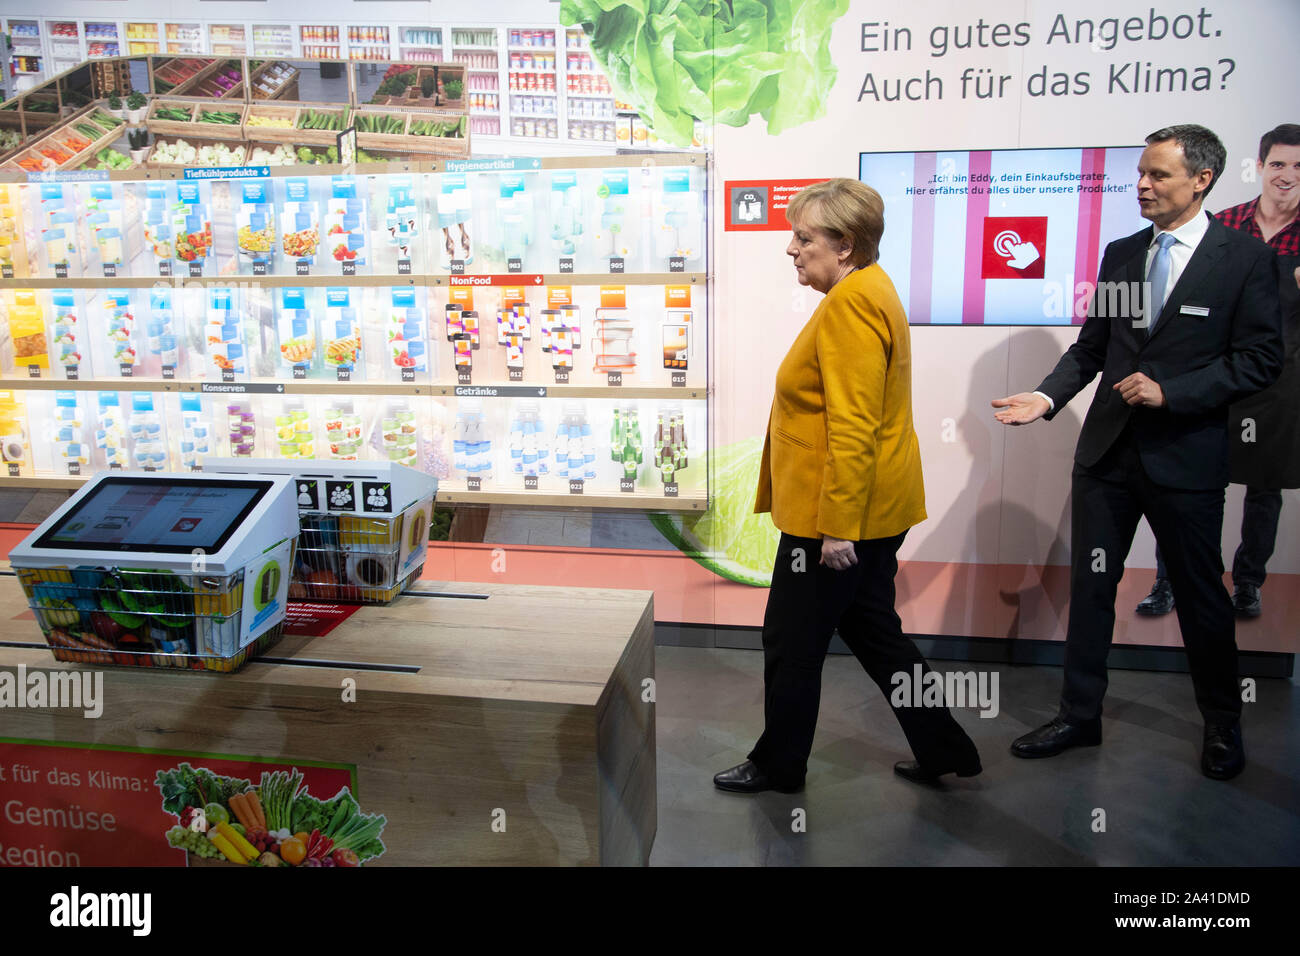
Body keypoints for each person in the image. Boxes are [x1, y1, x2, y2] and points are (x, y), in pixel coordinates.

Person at [992, 125, 1284, 780]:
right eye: (1141, 174)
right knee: (1093, 589)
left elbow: (1262, 359)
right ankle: (1079, 715)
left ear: (1202, 179)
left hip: (1186, 459)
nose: (1142, 186)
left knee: (1202, 597)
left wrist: (1172, 391)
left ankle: (1222, 724)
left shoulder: (1243, 259)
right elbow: (1093, 349)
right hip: (1107, 458)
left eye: (1158, 175)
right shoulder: (1124, 253)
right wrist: (1046, 399)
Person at [713, 178, 981, 794]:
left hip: (835, 517)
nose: (791, 249)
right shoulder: (868, 288)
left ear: (846, 245)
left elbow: (854, 423)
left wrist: (837, 526)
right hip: (874, 507)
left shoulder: (853, 303)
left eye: (803, 238)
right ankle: (944, 747)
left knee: (791, 640)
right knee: (872, 629)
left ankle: (779, 765)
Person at [1137, 123, 1300, 619]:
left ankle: (1248, 582)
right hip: (1204, 383)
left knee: (1264, 489)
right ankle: (1170, 580)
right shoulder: (1224, 227)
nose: (1287, 175)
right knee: (1185, 486)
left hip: (1277, 383)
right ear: (1261, 166)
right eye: (1278, 163)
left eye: (1298, 166)